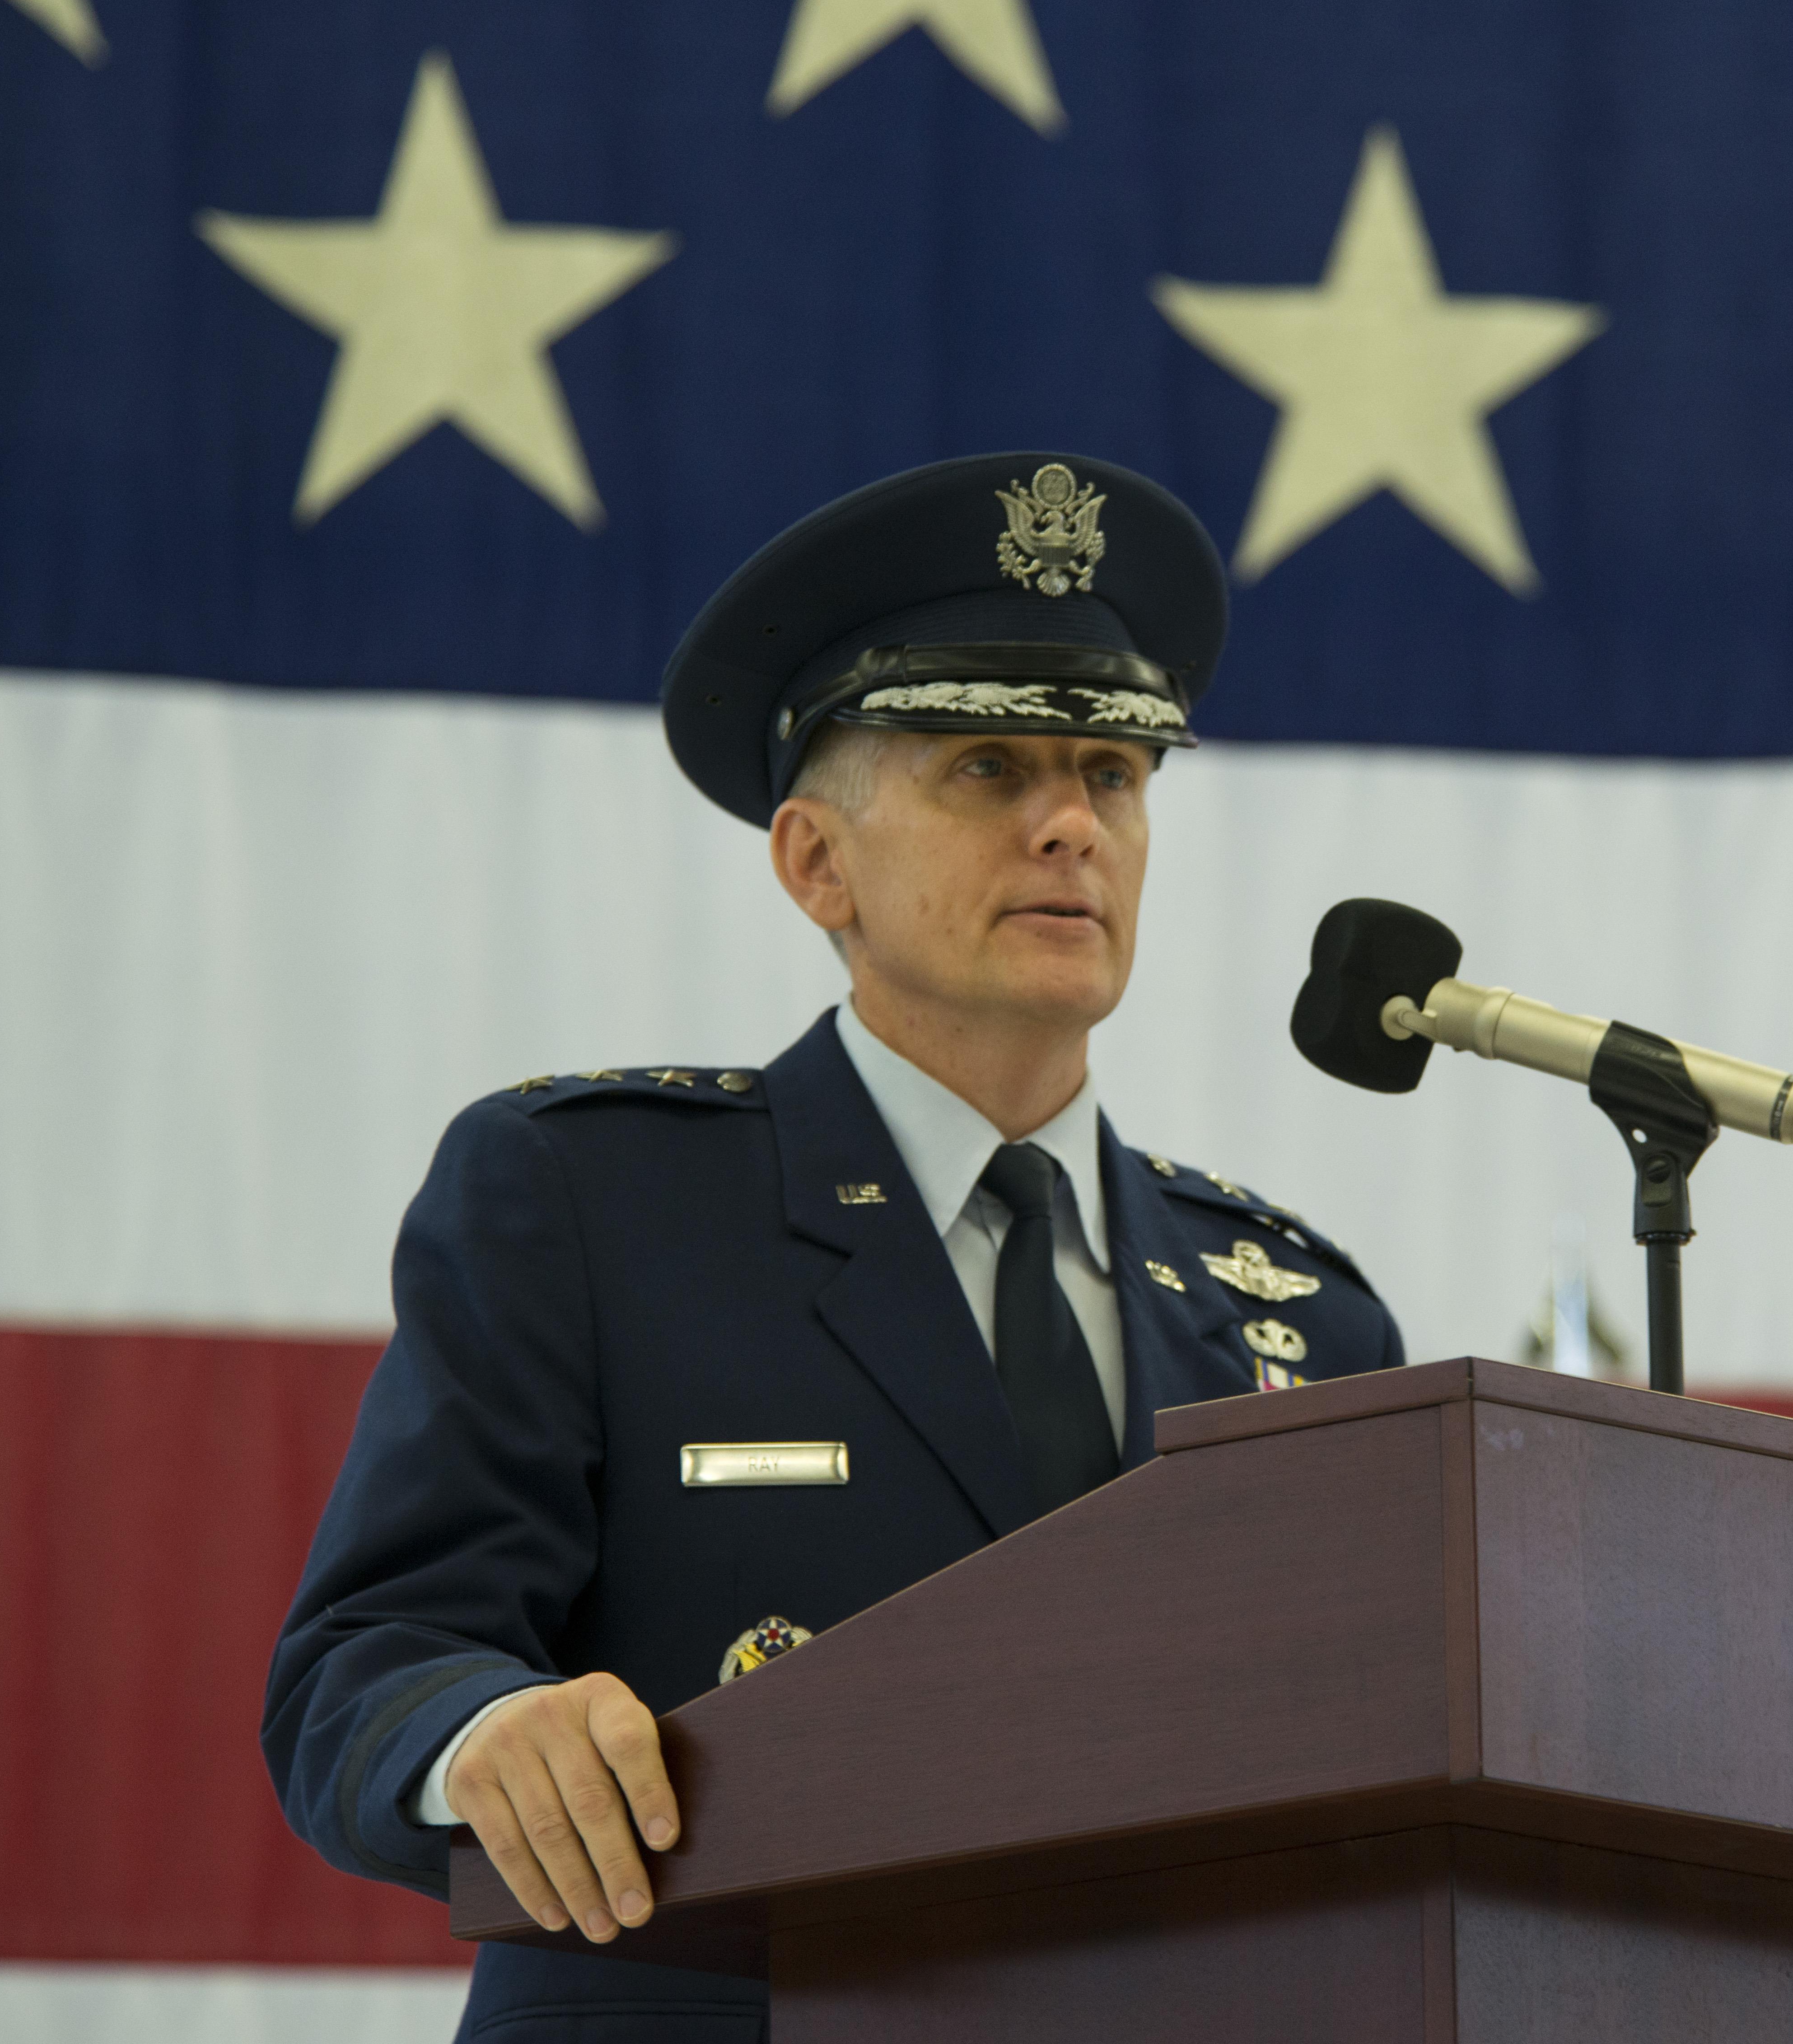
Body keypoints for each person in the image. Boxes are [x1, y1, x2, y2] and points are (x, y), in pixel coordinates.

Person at [263, 454, 1406, 2040]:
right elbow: (363, 1667)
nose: (1072, 824)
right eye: (989, 771)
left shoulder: (1302, 1319)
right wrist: (486, 1733)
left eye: (1114, 775)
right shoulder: (591, 1205)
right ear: (817, 863)